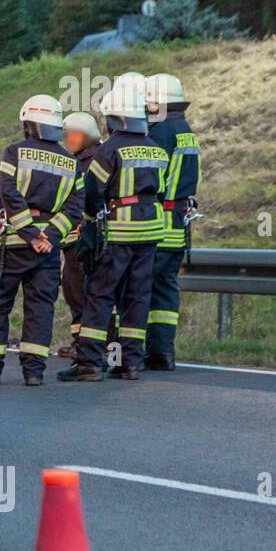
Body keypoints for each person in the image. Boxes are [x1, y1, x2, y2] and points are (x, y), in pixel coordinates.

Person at [58, 73, 168, 382]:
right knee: (137, 297)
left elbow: (92, 191)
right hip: (151, 233)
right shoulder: (156, 148)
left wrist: (93, 222)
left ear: (116, 117)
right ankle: (130, 362)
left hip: (119, 233)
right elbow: (164, 188)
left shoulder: (110, 149)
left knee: (99, 294)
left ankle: (90, 363)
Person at [0, 95, 82, 387]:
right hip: (47, 250)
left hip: (13, 244)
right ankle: (33, 372)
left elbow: (10, 195)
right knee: (40, 308)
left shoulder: (14, 153)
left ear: (29, 124)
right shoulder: (71, 162)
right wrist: (50, 237)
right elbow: (74, 207)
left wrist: (31, 234)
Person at [145, 73, 199, 371]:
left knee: (136, 287)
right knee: (165, 290)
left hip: (154, 224)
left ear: (156, 103)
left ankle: (126, 354)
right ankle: (162, 354)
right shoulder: (186, 130)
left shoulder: (160, 133)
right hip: (177, 225)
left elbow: (148, 178)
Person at [56, 111, 102, 358]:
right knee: (76, 290)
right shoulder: (79, 160)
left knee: (79, 290)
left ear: (86, 135)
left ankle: (85, 343)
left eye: (73, 134)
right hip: (77, 239)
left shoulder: (90, 162)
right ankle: (86, 341)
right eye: (66, 135)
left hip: (83, 240)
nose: (68, 140)